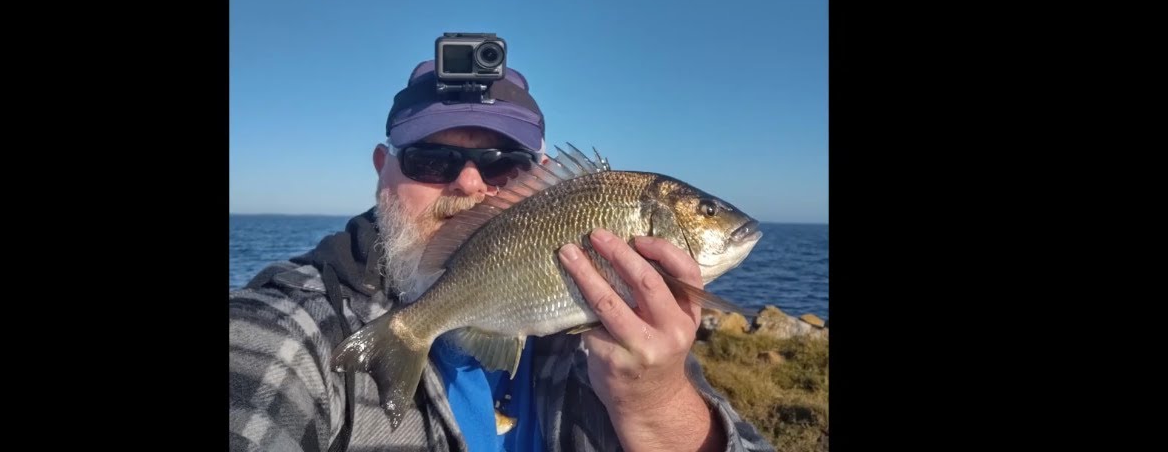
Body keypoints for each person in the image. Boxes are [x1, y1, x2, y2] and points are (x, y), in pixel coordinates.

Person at [229, 58, 776, 452]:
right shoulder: (290, 325)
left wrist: (654, 401)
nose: (470, 184)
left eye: (503, 164)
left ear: (537, 176)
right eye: (431, 159)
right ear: (382, 167)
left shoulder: (637, 344)